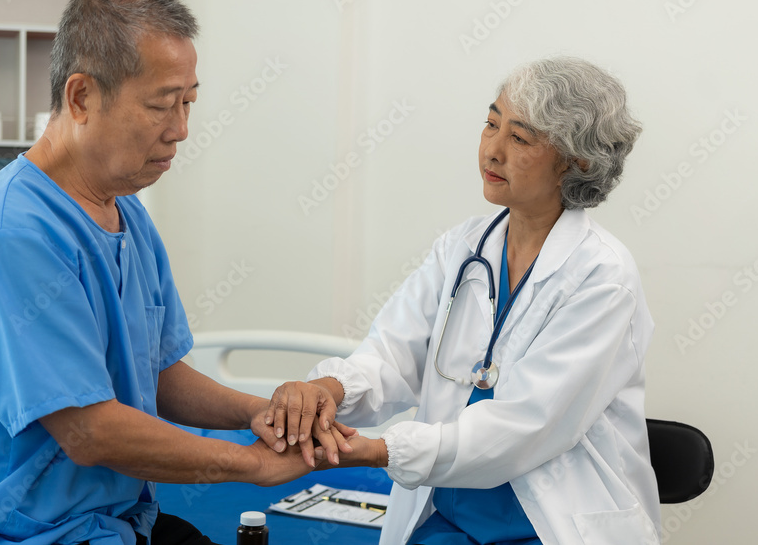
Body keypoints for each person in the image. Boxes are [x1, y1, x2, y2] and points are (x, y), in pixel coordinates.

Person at [0, 0, 318, 544]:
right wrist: (253, 465)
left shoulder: (125, 213)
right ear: (80, 98)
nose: (180, 129)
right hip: (14, 532)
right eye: (160, 104)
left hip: (111, 521)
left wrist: (261, 414)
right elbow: (88, 431)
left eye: (189, 102)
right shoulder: (10, 231)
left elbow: (159, 374)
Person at [265, 57, 661, 544]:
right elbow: (393, 352)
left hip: (549, 524)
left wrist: (379, 450)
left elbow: (526, 426)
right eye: (491, 124)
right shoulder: (462, 248)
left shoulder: (602, 277)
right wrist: (328, 389)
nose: (491, 151)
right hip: (449, 519)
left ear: (576, 161)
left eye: (519, 138)